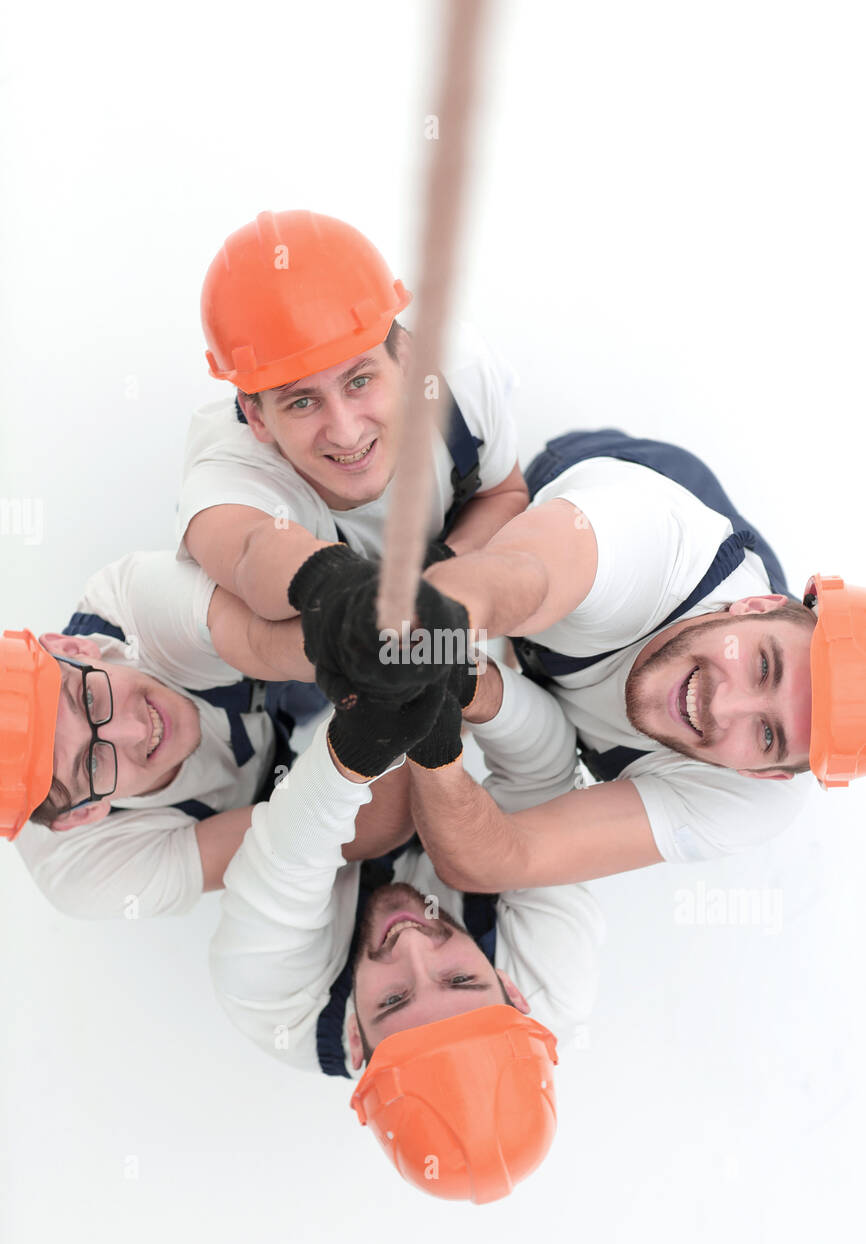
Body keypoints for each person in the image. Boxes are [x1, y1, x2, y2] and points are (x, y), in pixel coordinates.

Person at [294, 430, 866, 887]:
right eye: (763, 666)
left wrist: (435, 745)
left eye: (767, 735)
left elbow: (499, 861)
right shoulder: (659, 539)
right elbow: (529, 577)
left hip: (554, 670)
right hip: (590, 497)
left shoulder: (751, 806)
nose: (725, 704)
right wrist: (437, 619)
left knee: (389, 810)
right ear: (757, 603)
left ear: (762, 774)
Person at [209, 644, 604, 1204]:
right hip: (423, 763)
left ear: (353, 1040)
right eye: (461, 980)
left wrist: (401, 712)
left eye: (393, 1000)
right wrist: (466, 681)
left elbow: (290, 847)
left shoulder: (269, 1000)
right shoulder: (554, 974)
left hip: (283, 764)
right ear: (515, 994)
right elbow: (545, 769)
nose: (411, 941)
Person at [178, 209, 528, 642]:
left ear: (405, 356)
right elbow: (250, 554)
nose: (345, 432)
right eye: (302, 402)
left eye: (359, 381)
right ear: (256, 416)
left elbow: (505, 493)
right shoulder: (227, 470)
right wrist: (348, 596)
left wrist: (440, 576)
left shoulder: (459, 373)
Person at [3, 551, 410, 918]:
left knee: (326, 633)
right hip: (259, 802)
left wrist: (394, 654)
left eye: (89, 699)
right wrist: (422, 719)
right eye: (92, 763)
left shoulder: (126, 605)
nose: (135, 729)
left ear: (74, 648)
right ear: (83, 813)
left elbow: (330, 636)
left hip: (255, 675)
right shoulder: (81, 871)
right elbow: (357, 831)